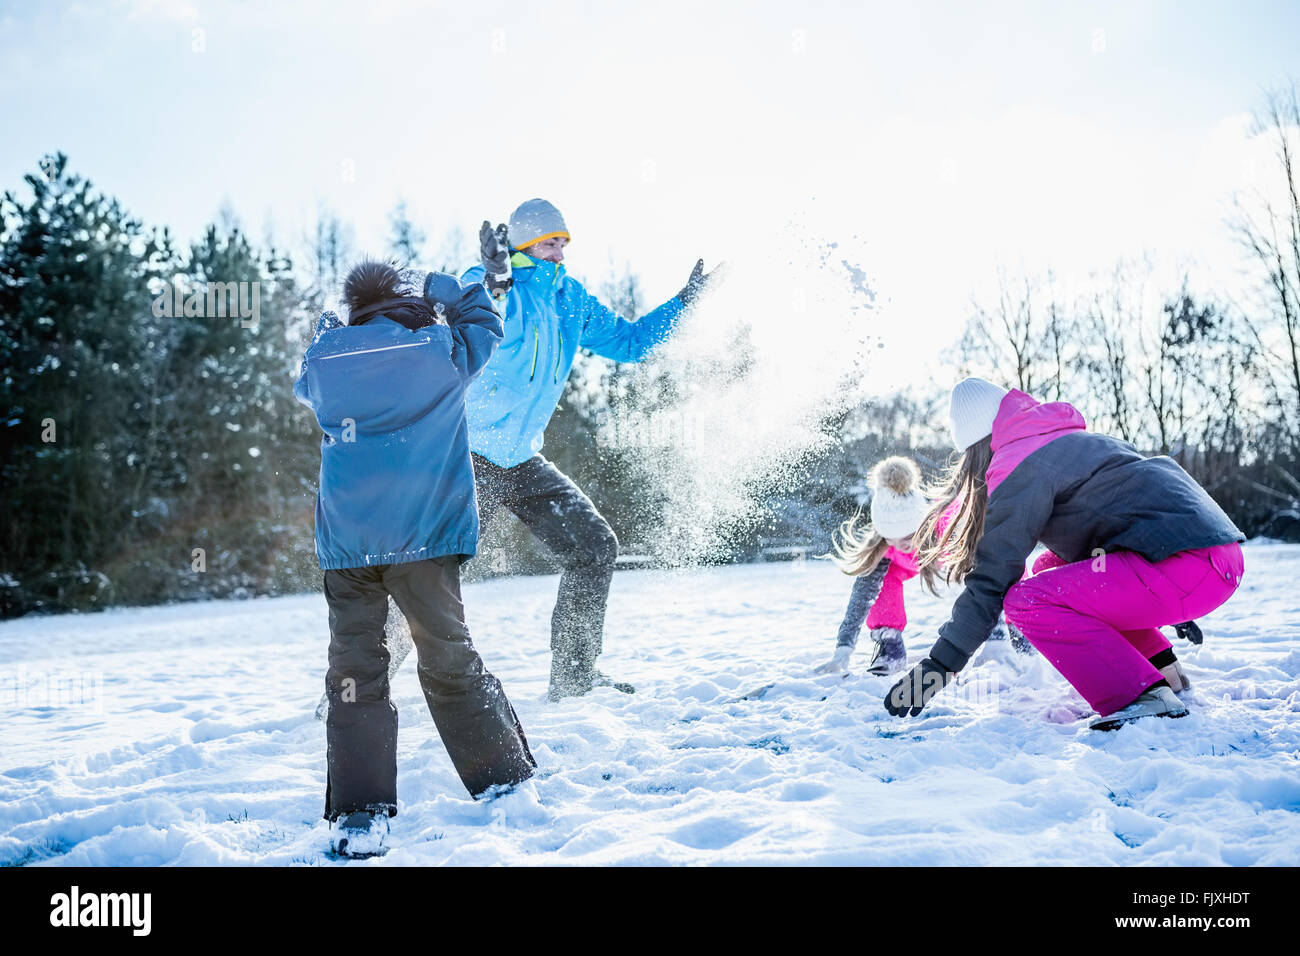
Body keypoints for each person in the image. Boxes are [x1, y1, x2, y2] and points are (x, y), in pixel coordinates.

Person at [387, 197, 721, 702]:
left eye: (564, 241)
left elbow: (629, 344)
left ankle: (574, 677)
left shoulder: (571, 298)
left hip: (520, 456)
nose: (560, 250)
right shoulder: (486, 280)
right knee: (427, 574)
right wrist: (495, 282)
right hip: (465, 453)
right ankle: (360, 684)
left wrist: (685, 303)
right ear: (522, 244)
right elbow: (475, 317)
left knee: (593, 547)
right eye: (549, 242)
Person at [294, 260, 536, 857]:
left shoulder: (327, 361)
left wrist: (325, 337)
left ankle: (358, 816)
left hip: (348, 546)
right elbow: (486, 324)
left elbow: (305, 384)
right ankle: (503, 781)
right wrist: (454, 291)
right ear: (406, 303)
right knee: (446, 654)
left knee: (354, 673)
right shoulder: (438, 349)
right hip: (423, 538)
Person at [884, 377, 1245, 731]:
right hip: (1211, 559)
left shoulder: (1019, 465)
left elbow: (993, 580)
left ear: (975, 448)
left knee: (1026, 601)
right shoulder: (1068, 439)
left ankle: (1140, 697)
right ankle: (1164, 671)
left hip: (1183, 568)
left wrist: (941, 664)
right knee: (1047, 567)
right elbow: (1139, 507)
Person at [818, 456, 1032, 677]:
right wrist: (843, 649)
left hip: (974, 555)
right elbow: (861, 598)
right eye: (898, 537)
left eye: (912, 533)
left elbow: (988, 568)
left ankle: (1021, 627)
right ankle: (889, 644)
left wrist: (996, 634)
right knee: (882, 580)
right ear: (884, 534)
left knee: (1007, 567)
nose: (908, 542)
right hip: (907, 565)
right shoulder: (882, 550)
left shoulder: (947, 527)